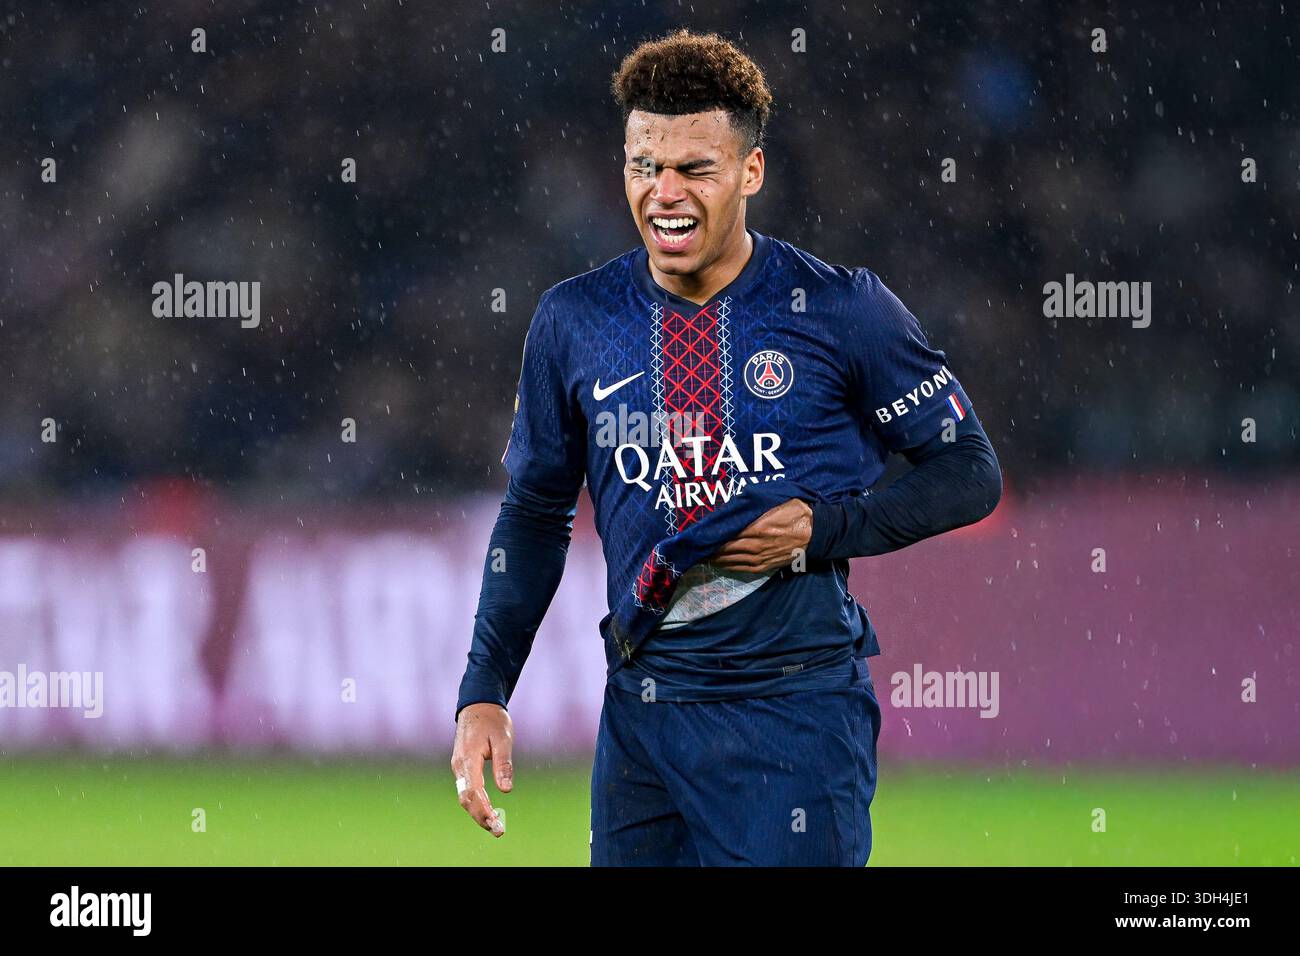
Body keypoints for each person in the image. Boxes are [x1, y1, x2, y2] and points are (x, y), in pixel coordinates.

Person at [451, 28, 1002, 866]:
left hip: (792, 716)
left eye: (694, 169)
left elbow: (970, 470)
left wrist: (826, 528)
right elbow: (534, 513)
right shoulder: (573, 321)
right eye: (645, 165)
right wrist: (484, 689)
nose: (664, 192)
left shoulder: (842, 309)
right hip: (641, 717)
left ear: (750, 172)